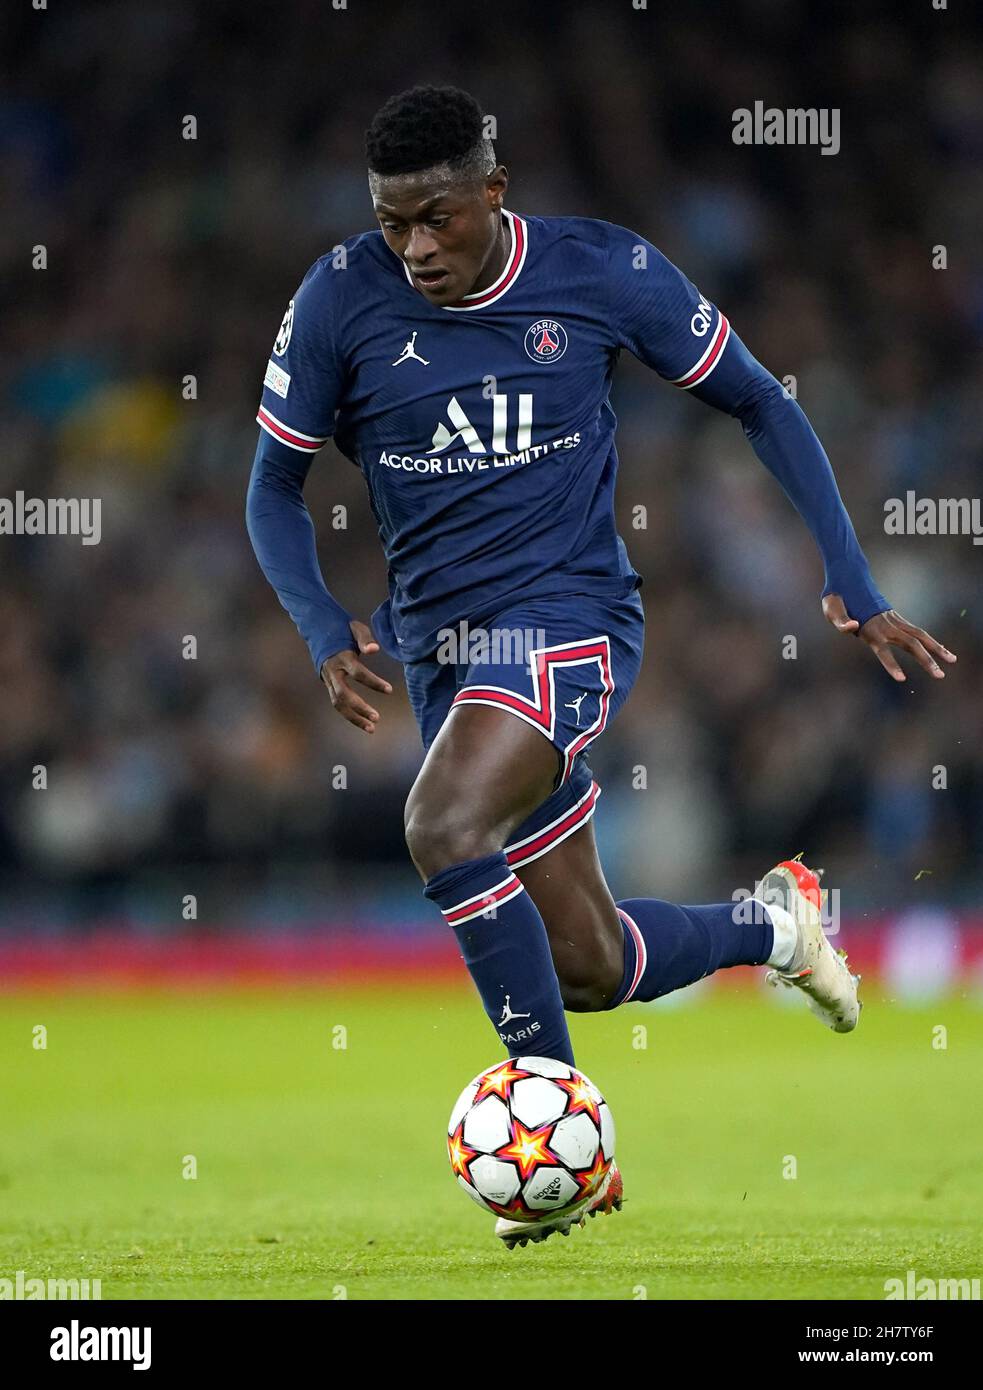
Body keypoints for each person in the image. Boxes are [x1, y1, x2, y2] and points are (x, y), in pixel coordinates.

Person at [246, 85, 956, 1246]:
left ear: (493, 190)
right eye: (393, 223)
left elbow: (759, 402)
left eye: (437, 217)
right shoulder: (338, 296)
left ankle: (569, 1148)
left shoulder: (603, 273)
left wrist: (848, 574)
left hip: (568, 623)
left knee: (441, 824)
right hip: (440, 650)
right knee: (588, 964)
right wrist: (325, 627)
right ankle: (777, 927)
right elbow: (271, 489)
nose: (415, 248)